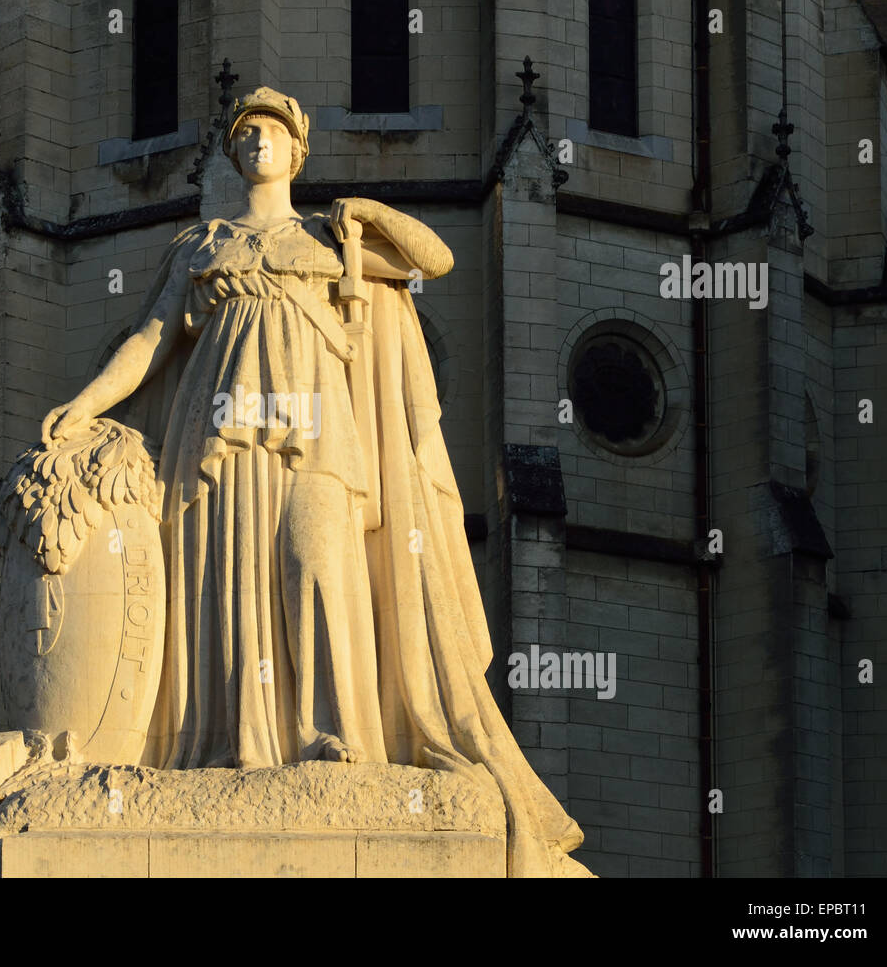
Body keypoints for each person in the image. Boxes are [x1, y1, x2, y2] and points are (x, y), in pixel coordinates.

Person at [41, 87, 585, 873]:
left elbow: (435, 258)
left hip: (317, 430)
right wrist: (85, 403)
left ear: (298, 152)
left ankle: (335, 733)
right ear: (233, 155)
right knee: (226, 584)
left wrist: (367, 211)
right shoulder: (203, 244)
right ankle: (228, 741)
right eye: (246, 134)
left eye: (272, 133)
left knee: (318, 561)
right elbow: (151, 339)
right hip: (219, 431)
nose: (258, 143)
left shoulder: (333, 237)